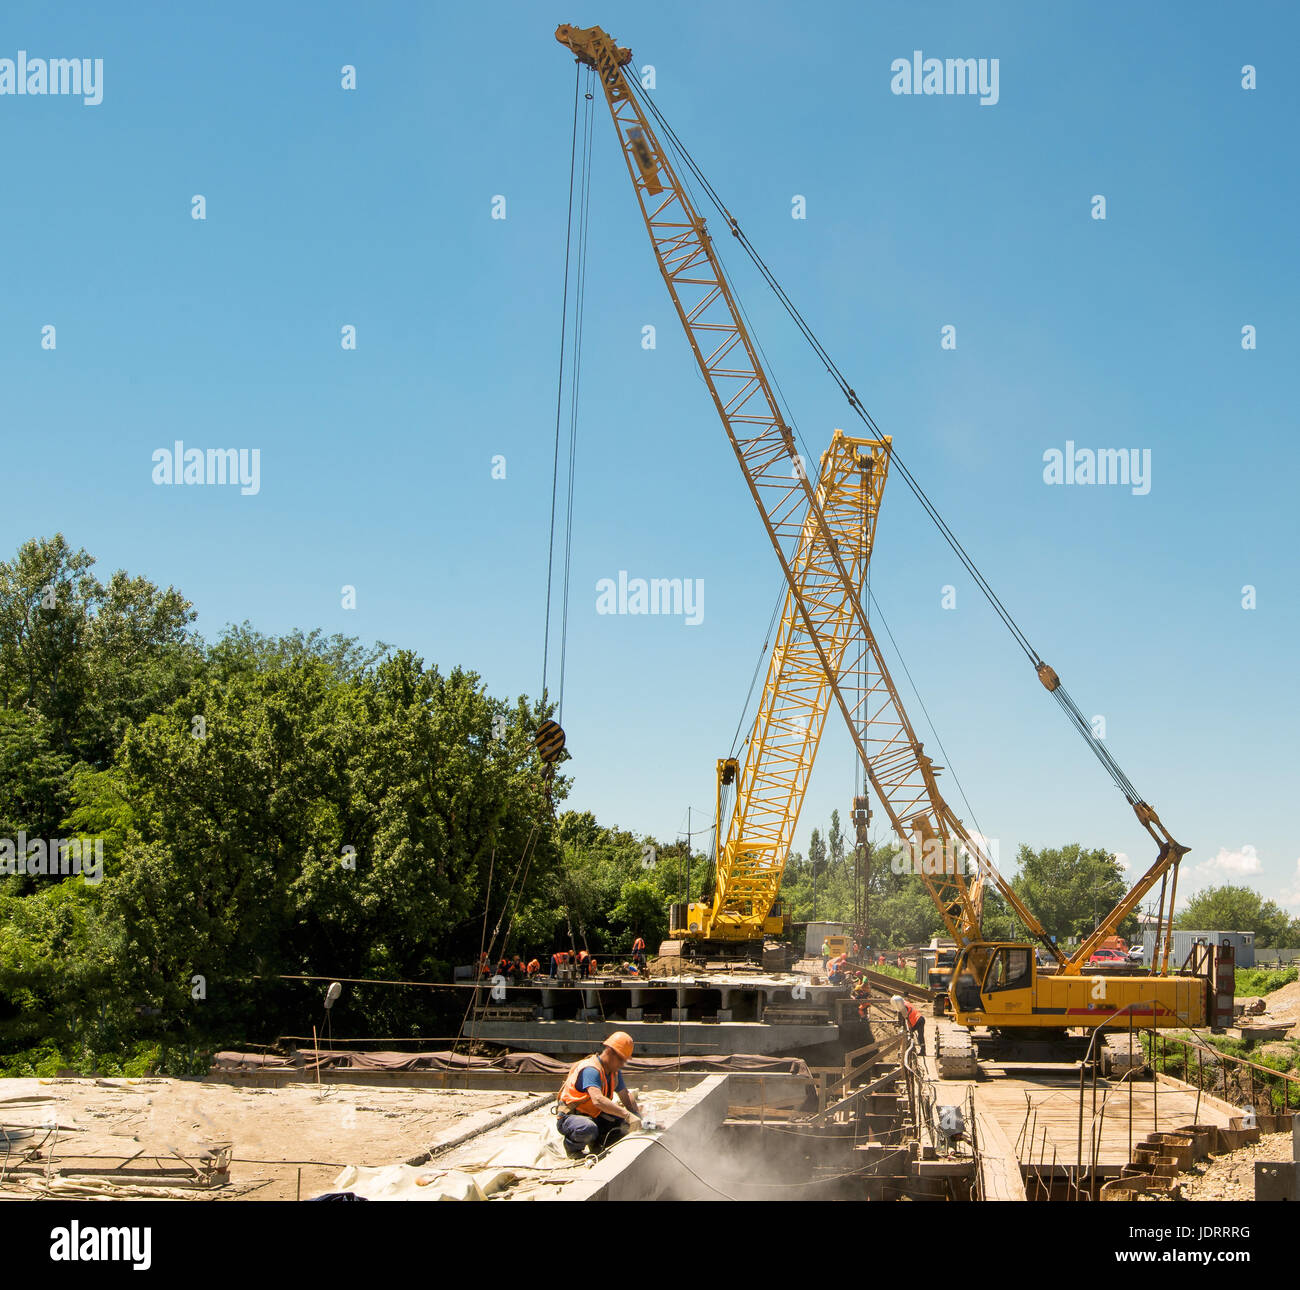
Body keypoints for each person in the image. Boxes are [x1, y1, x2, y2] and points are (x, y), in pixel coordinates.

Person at [556, 1031, 642, 1158]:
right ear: (610, 1052)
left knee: (626, 1126)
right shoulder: (591, 1070)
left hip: (595, 1115)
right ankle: (572, 1149)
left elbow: (625, 1095)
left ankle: (598, 1143)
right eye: (621, 1060)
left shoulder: (614, 1072)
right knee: (588, 1129)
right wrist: (627, 1115)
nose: (622, 1064)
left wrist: (638, 1117)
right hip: (571, 1117)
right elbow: (598, 1100)